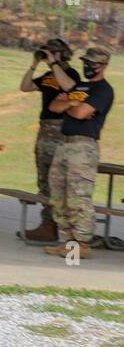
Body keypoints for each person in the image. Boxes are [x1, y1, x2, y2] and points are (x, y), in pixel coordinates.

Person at [45, 46, 114, 259]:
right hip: (64, 144)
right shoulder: (81, 86)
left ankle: (81, 244)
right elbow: (54, 106)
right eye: (85, 62)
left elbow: (81, 111)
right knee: (59, 195)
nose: (87, 66)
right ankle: (67, 243)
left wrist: (72, 103)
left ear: (103, 66)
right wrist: (72, 102)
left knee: (78, 197)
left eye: (92, 64)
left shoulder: (103, 90)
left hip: (83, 147)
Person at [17, 38, 78, 241]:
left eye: (52, 51)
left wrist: (54, 63)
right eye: (47, 52)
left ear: (62, 53)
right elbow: (25, 87)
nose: (48, 54)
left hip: (61, 130)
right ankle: (47, 225)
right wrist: (35, 64)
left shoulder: (70, 73)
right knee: (43, 179)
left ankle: (63, 227)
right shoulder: (48, 76)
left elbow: (69, 88)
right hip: (45, 130)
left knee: (58, 180)